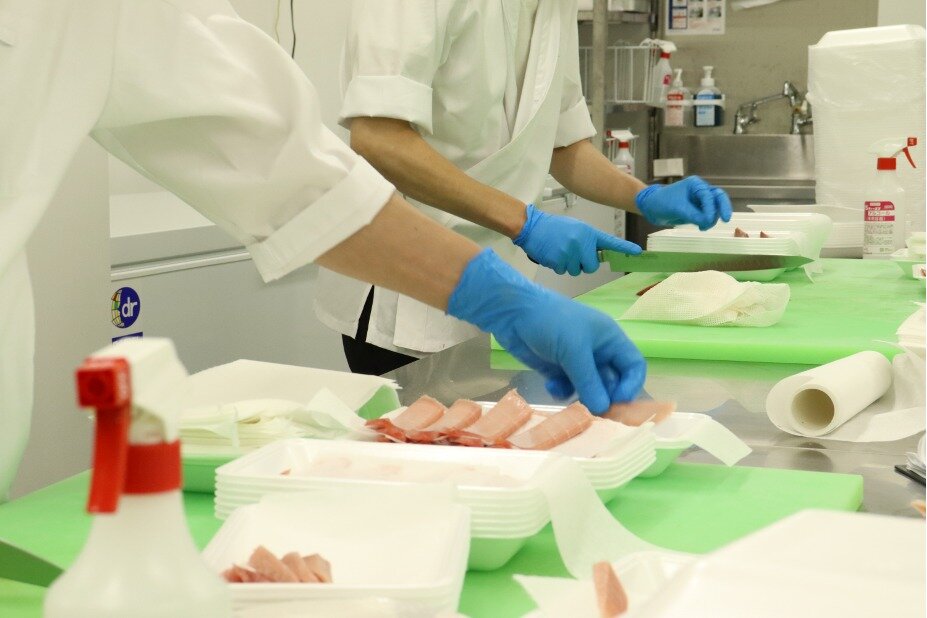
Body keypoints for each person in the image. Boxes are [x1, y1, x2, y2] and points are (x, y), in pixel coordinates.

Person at [0, 0, 644, 500]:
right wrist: (519, 246)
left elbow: (282, 164)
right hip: (398, 297)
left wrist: (505, 296)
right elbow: (366, 142)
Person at [315, 0, 733, 375]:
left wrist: (642, 196)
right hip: (407, 288)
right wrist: (525, 223)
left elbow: (563, 143)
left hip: (501, 291)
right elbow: (380, 138)